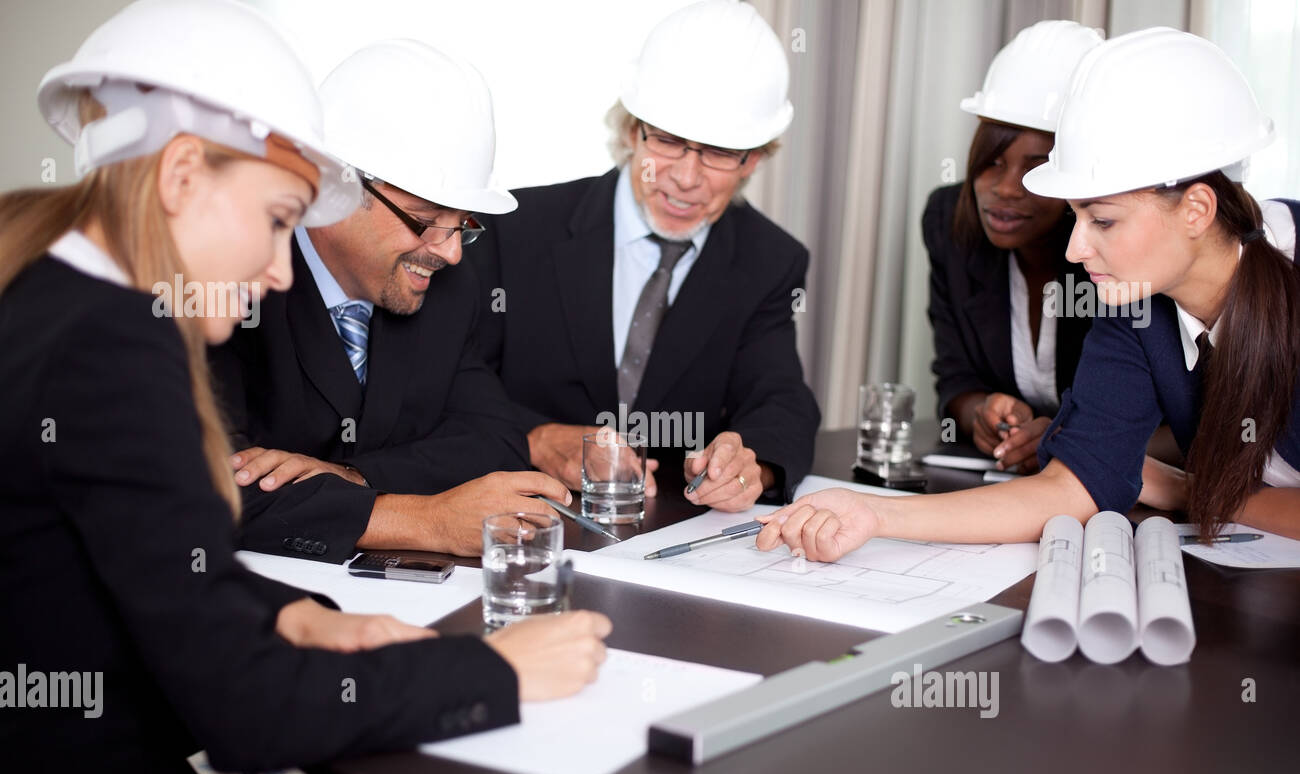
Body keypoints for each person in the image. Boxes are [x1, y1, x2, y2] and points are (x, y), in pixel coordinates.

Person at [0, 0, 608, 774]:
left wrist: (297, 616)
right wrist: (501, 672)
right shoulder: (114, 358)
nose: (283, 267)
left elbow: (159, 568)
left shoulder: (52, 304)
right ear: (180, 176)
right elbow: (244, 708)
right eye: (281, 217)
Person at [757, 27, 1300, 560]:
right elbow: (1071, 487)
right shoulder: (1134, 304)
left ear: (1197, 210)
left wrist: (1194, 492)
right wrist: (874, 514)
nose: (1075, 249)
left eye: (1104, 221)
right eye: (1076, 218)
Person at [210, 40, 569, 560]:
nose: (449, 252)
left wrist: (355, 477)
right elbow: (208, 484)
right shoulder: (229, 281)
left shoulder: (446, 288)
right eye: (424, 220)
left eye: (462, 225)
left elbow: (495, 439)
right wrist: (422, 521)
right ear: (334, 186)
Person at [472, 0, 820, 512]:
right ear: (632, 130)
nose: (685, 177)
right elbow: (454, 380)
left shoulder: (769, 259)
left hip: (662, 525)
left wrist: (752, 462)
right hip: (519, 517)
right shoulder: (518, 226)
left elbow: (782, 400)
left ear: (754, 159)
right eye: (669, 140)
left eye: (720, 152)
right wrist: (537, 437)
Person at [924, 20, 1101, 473]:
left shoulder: (1116, 247)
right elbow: (955, 378)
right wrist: (979, 410)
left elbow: (1169, 417)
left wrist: (1072, 436)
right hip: (1002, 480)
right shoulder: (948, 220)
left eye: (1035, 169)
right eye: (992, 163)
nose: (1004, 189)